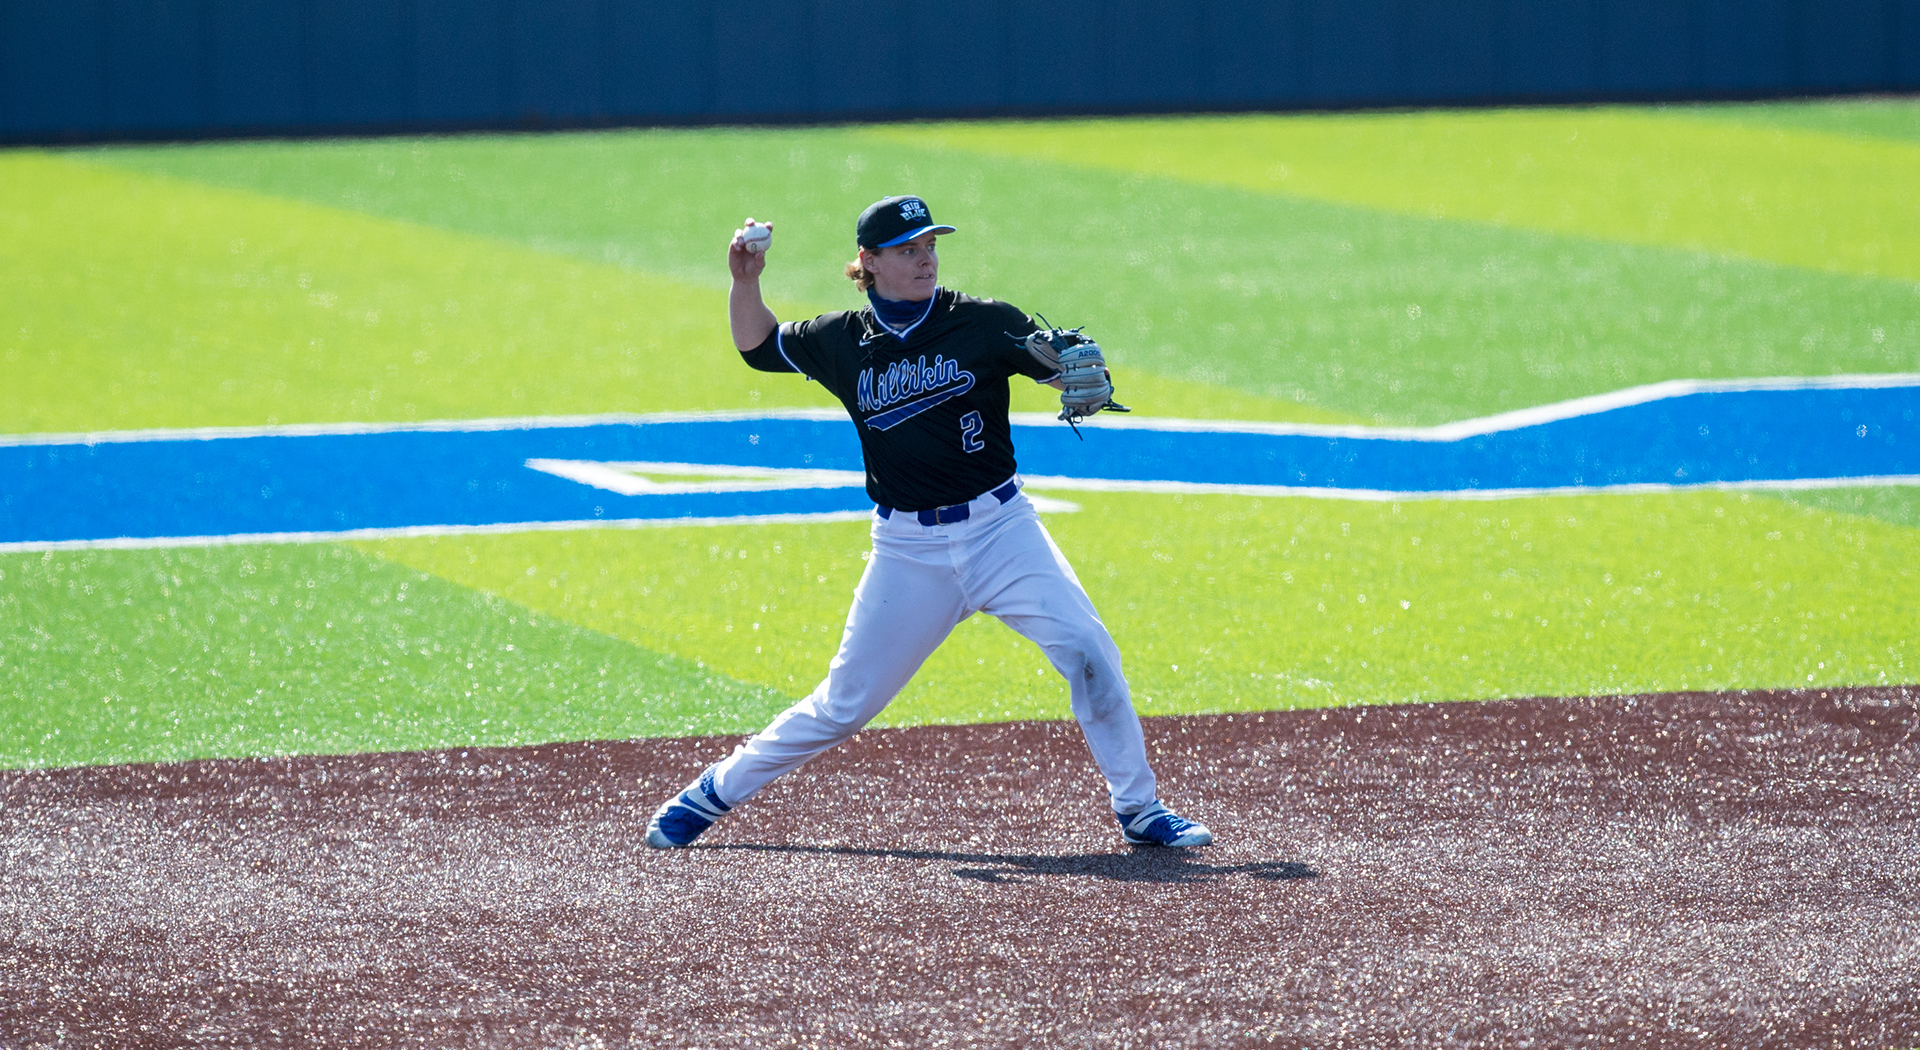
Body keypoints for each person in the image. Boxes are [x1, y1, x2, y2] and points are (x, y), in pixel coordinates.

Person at [644, 195, 1211, 850]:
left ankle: (1140, 809)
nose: (925, 260)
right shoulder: (839, 340)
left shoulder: (983, 322)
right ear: (870, 262)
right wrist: (746, 282)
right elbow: (758, 347)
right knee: (844, 705)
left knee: (1091, 654)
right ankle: (710, 794)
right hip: (908, 550)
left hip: (1003, 532)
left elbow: (1065, 373)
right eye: (908, 249)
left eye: (931, 246)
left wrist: (1084, 377)